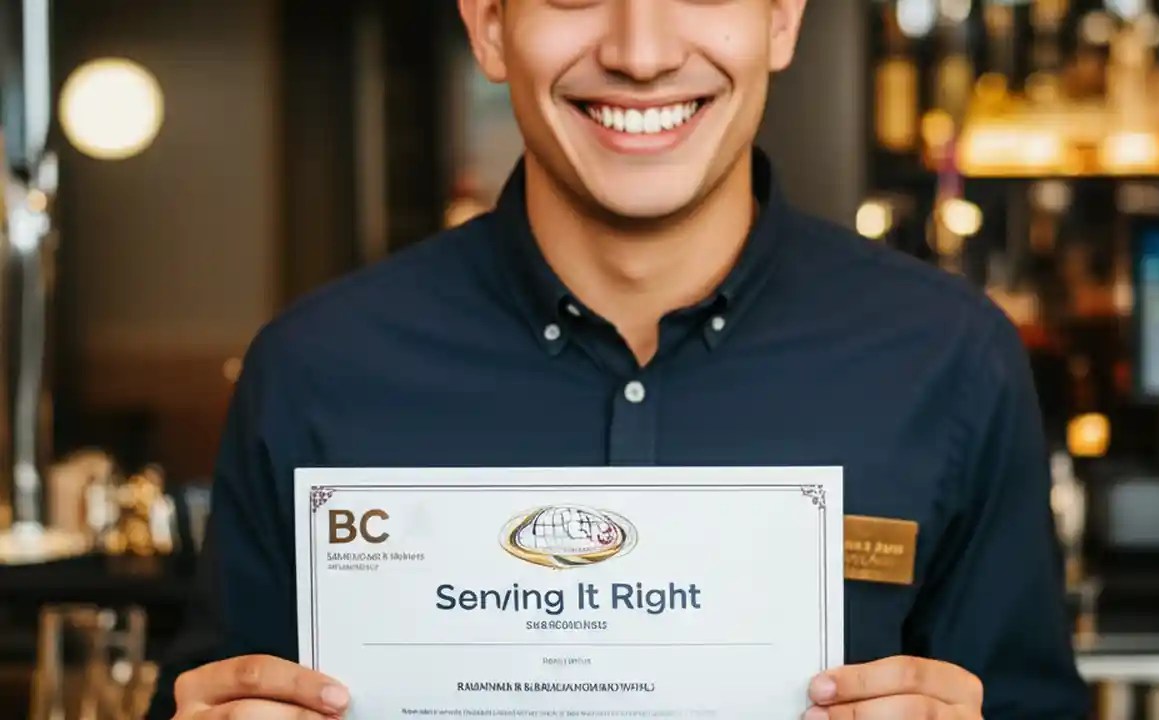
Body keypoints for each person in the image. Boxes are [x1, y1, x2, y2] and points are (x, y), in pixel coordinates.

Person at [149, 0, 1089, 718]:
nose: (641, 53)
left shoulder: (951, 360)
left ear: (782, 18)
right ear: (486, 24)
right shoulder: (315, 372)